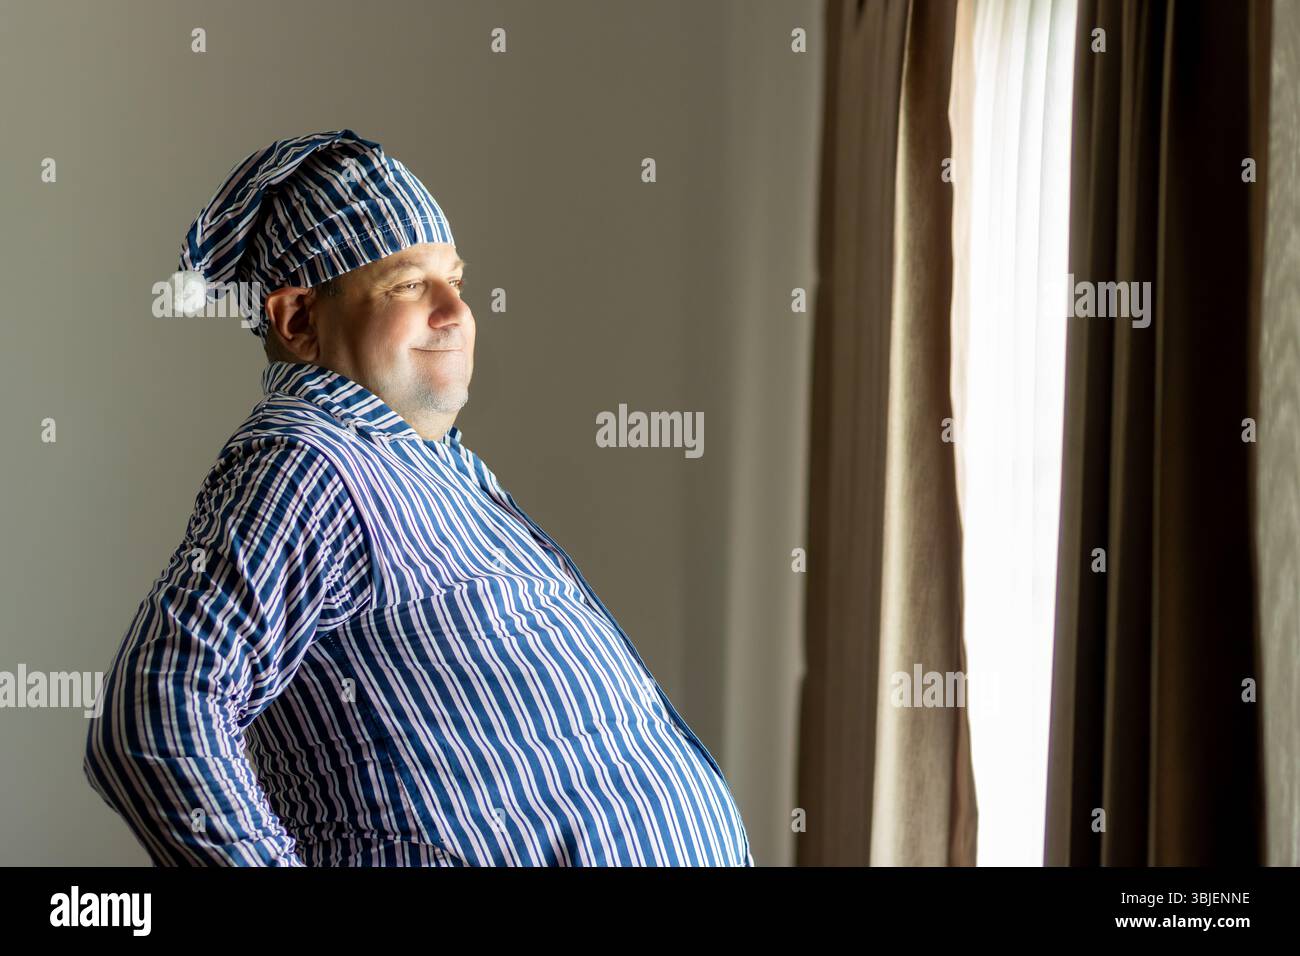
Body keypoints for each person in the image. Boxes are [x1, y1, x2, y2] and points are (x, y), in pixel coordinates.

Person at [84, 130, 754, 867]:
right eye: (408, 285)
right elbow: (154, 716)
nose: (456, 312)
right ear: (300, 320)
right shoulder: (310, 461)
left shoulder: (421, 466)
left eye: (456, 282)